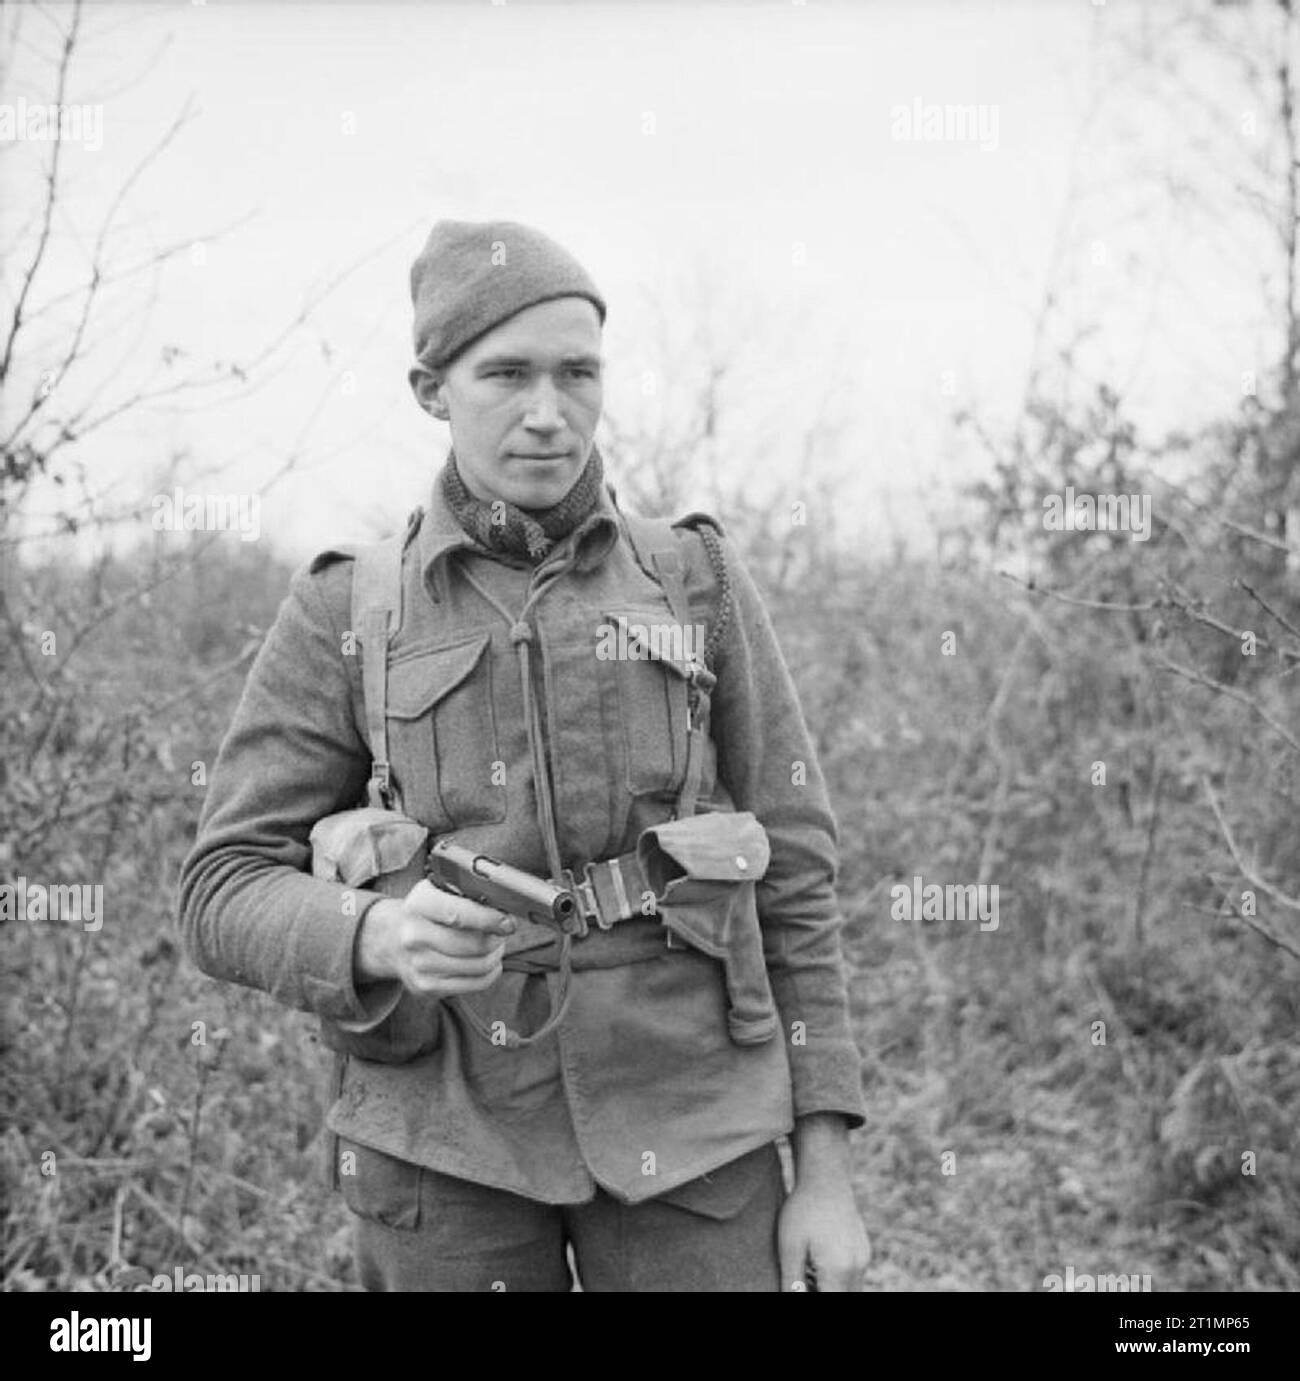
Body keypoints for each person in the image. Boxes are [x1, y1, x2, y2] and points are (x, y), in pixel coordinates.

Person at [179, 219, 870, 1292]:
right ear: (431, 386)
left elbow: (796, 863)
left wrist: (823, 1163)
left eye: (577, 374)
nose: (548, 413)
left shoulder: (695, 579)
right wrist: (376, 934)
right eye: (505, 373)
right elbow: (219, 888)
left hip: (691, 1130)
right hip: (446, 1141)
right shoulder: (345, 608)